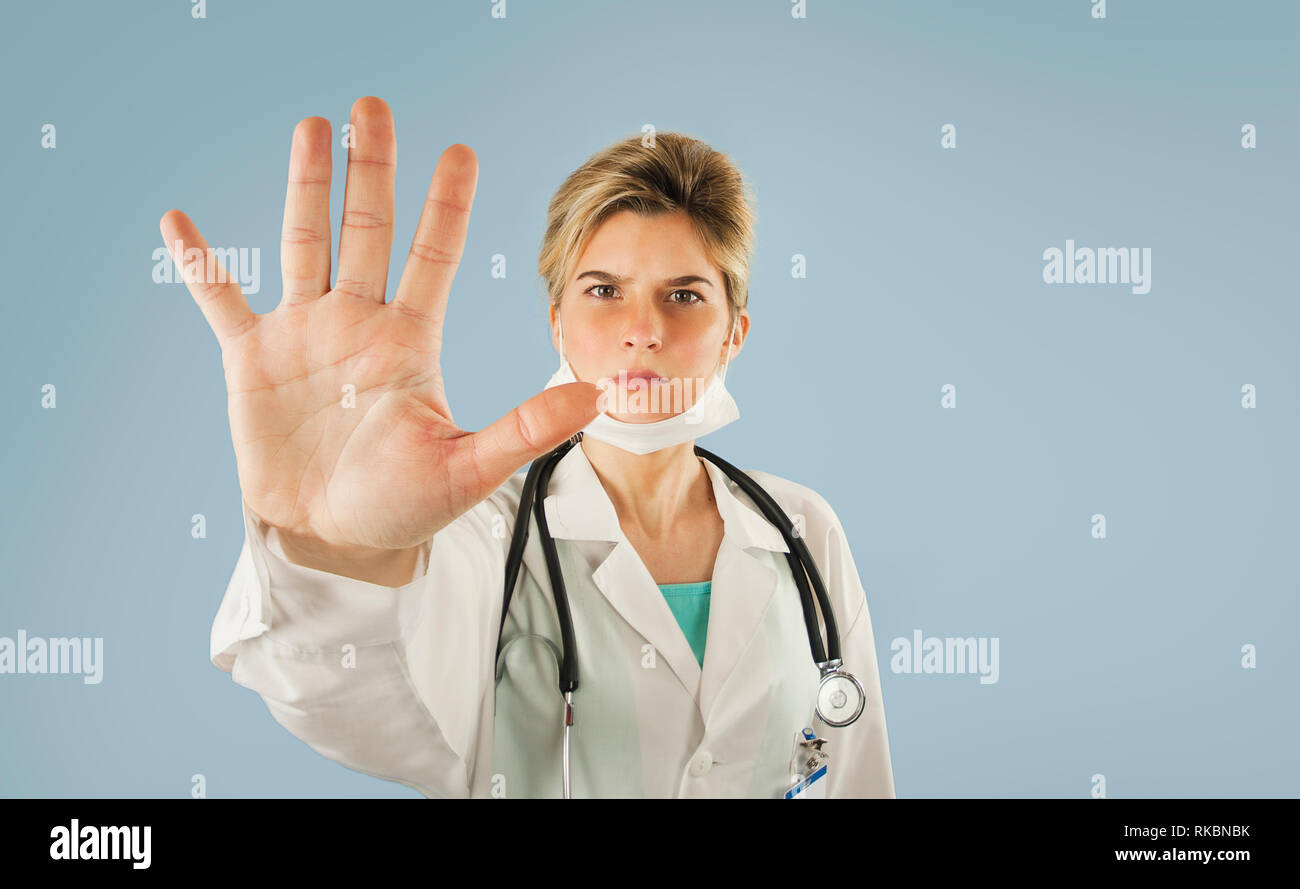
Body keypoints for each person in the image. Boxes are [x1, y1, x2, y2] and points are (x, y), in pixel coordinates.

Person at [161, 96, 895, 798]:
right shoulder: (483, 537)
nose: (643, 328)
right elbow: (356, 704)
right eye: (604, 291)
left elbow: (857, 776)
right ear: (556, 323)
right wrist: (336, 547)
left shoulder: (804, 531)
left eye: (685, 294)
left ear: (735, 330)